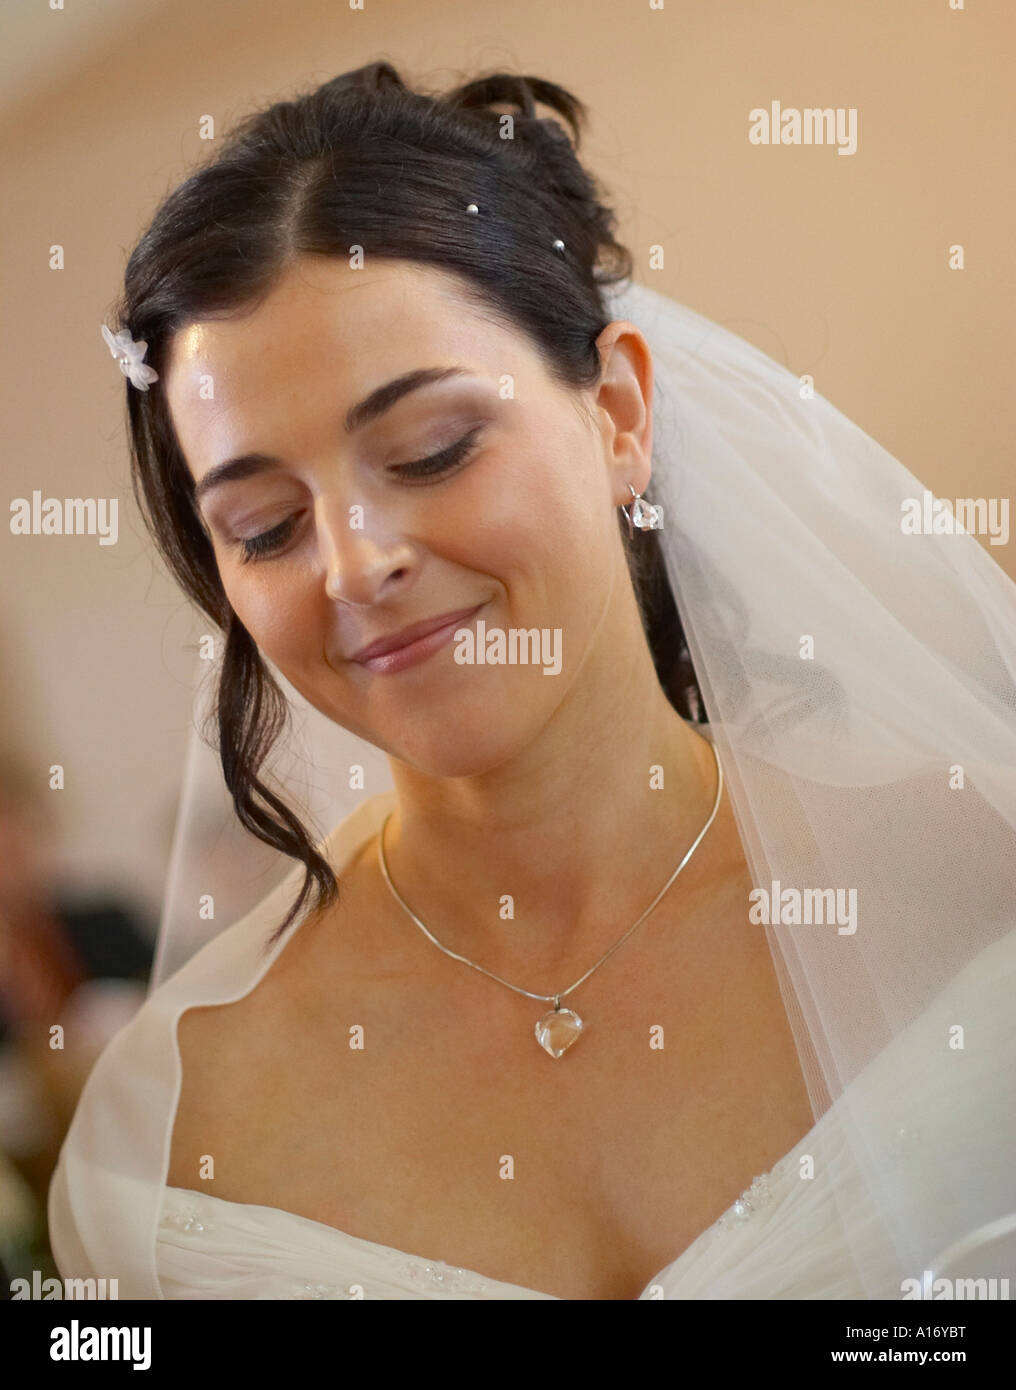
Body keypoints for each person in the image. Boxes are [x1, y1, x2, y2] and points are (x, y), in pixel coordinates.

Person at [48, 62, 1016, 1300]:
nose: (356, 563)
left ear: (616, 414)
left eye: (430, 448)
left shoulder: (979, 873)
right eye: (266, 526)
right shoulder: (154, 1152)